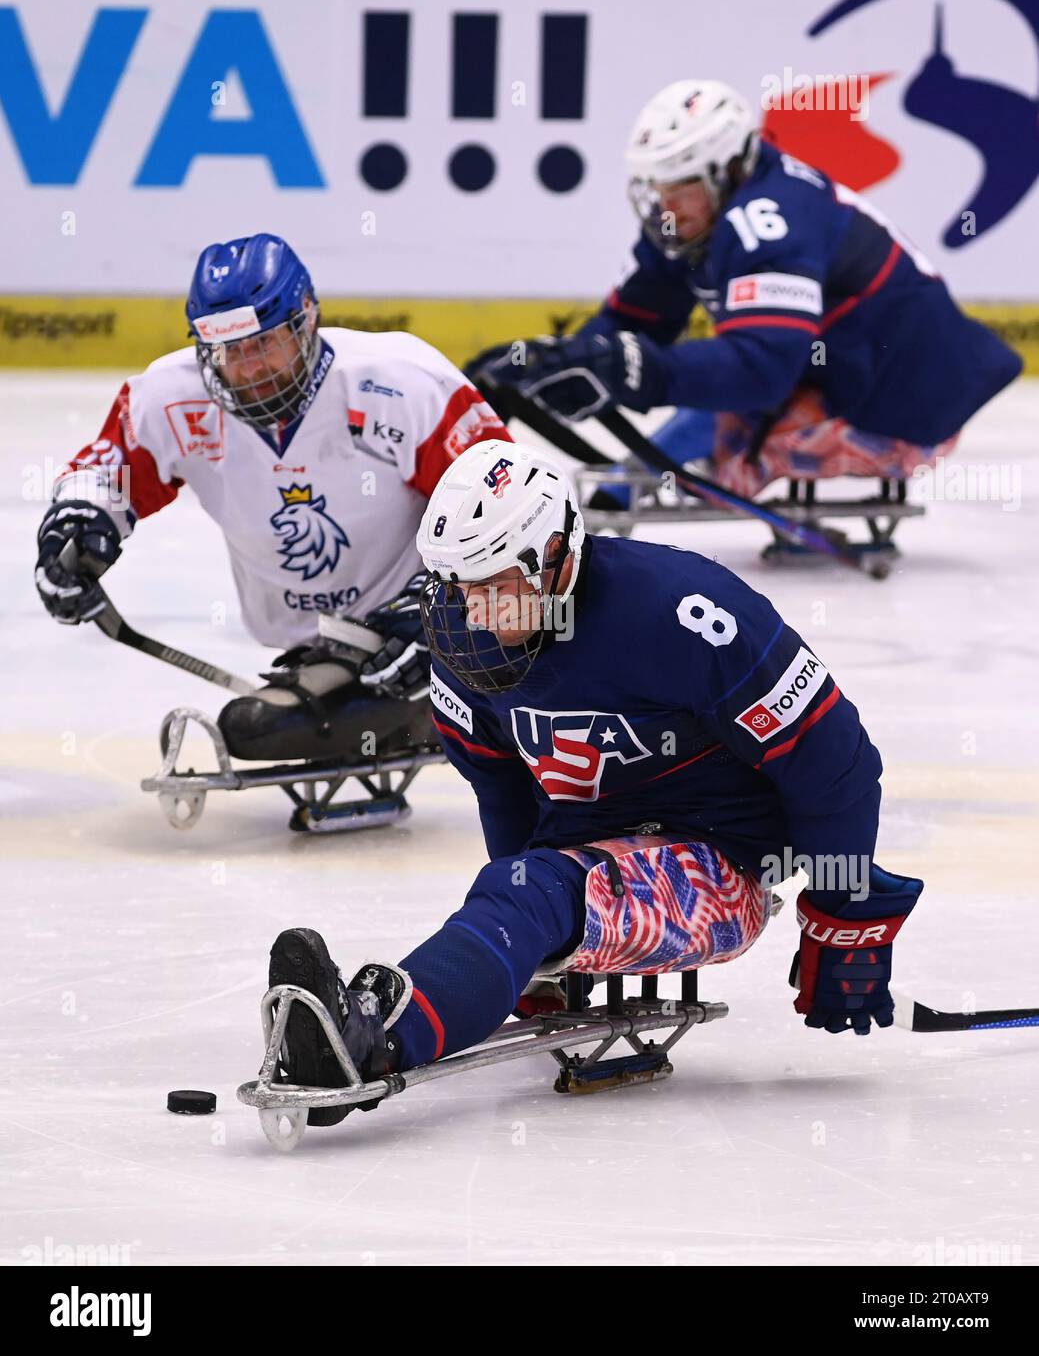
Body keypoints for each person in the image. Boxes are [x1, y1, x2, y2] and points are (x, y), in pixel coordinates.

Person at [266, 440, 923, 1125]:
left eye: (493, 583)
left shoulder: (685, 611)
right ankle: (387, 1016)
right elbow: (500, 788)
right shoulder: (462, 636)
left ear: (554, 556)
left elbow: (832, 758)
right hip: (584, 852)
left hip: (721, 865)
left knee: (519, 893)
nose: (475, 612)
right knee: (517, 889)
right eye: (458, 584)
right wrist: (529, 956)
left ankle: (373, 1041)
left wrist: (844, 925)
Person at [34, 232, 507, 761]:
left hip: (424, 616)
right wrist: (73, 531)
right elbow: (107, 469)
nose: (251, 367)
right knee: (258, 728)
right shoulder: (172, 397)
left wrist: (443, 608)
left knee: (255, 728)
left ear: (307, 320)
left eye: (265, 342)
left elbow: (504, 501)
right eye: (230, 350)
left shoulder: (400, 384)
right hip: (304, 638)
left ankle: (447, 698)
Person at [467, 79, 1022, 500]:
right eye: (656, 189)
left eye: (679, 189)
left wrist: (637, 372)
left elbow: (760, 371)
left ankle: (628, 483)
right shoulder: (699, 212)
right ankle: (627, 482)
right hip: (843, 372)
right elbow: (636, 319)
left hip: (907, 412)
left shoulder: (771, 218)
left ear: (727, 170)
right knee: (711, 395)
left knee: (734, 447)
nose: (665, 208)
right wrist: (557, 361)